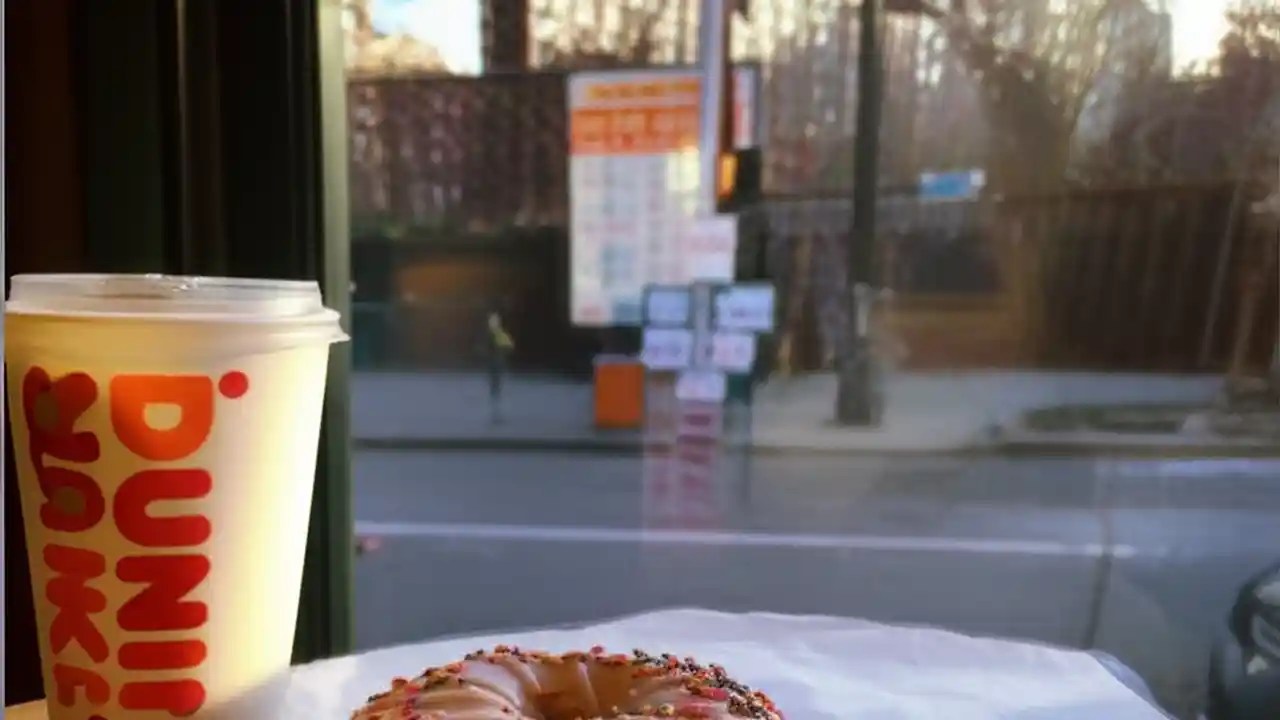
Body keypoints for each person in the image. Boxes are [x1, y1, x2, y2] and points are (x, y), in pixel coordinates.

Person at [485, 311, 515, 423]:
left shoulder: (500, 334)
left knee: (496, 383)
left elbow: (509, 347)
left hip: (497, 362)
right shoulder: (491, 334)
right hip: (494, 362)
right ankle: (494, 401)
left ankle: (496, 403)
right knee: (494, 383)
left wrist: (502, 352)